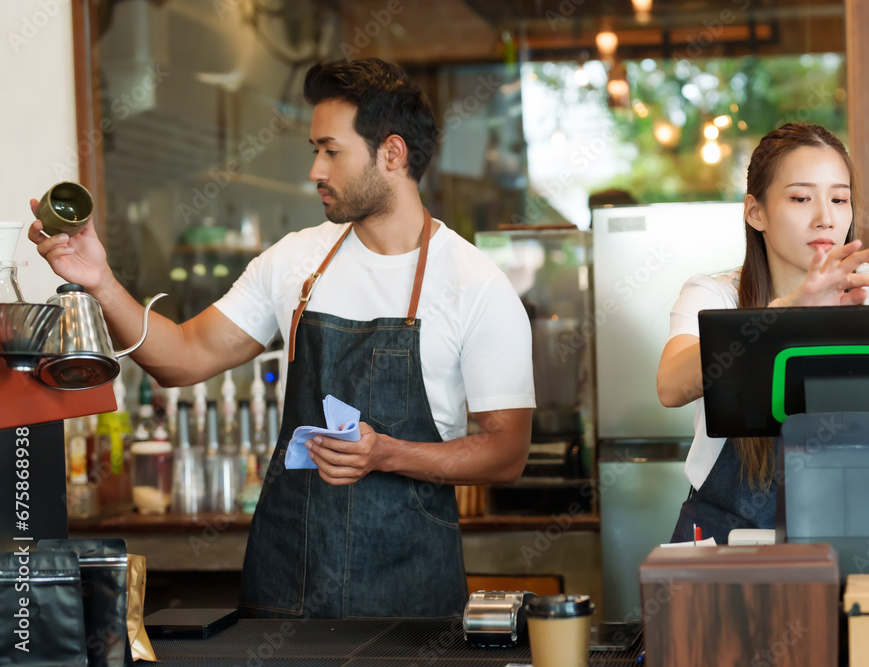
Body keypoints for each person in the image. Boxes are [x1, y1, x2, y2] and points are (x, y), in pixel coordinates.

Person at [29, 58, 535, 618]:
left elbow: (506, 452)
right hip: (286, 583)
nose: (315, 169)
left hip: (409, 599)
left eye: (331, 151)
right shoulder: (295, 260)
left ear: (392, 153)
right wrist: (99, 280)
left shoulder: (475, 285)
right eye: (314, 150)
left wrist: (388, 454)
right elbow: (182, 358)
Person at [655, 123, 869, 545]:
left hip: (843, 525)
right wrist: (783, 316)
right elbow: (671, 386)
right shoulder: (715, 294)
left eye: (840, 199)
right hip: (720, 533)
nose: (826, 217)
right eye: (801, 198)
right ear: (756, 212)